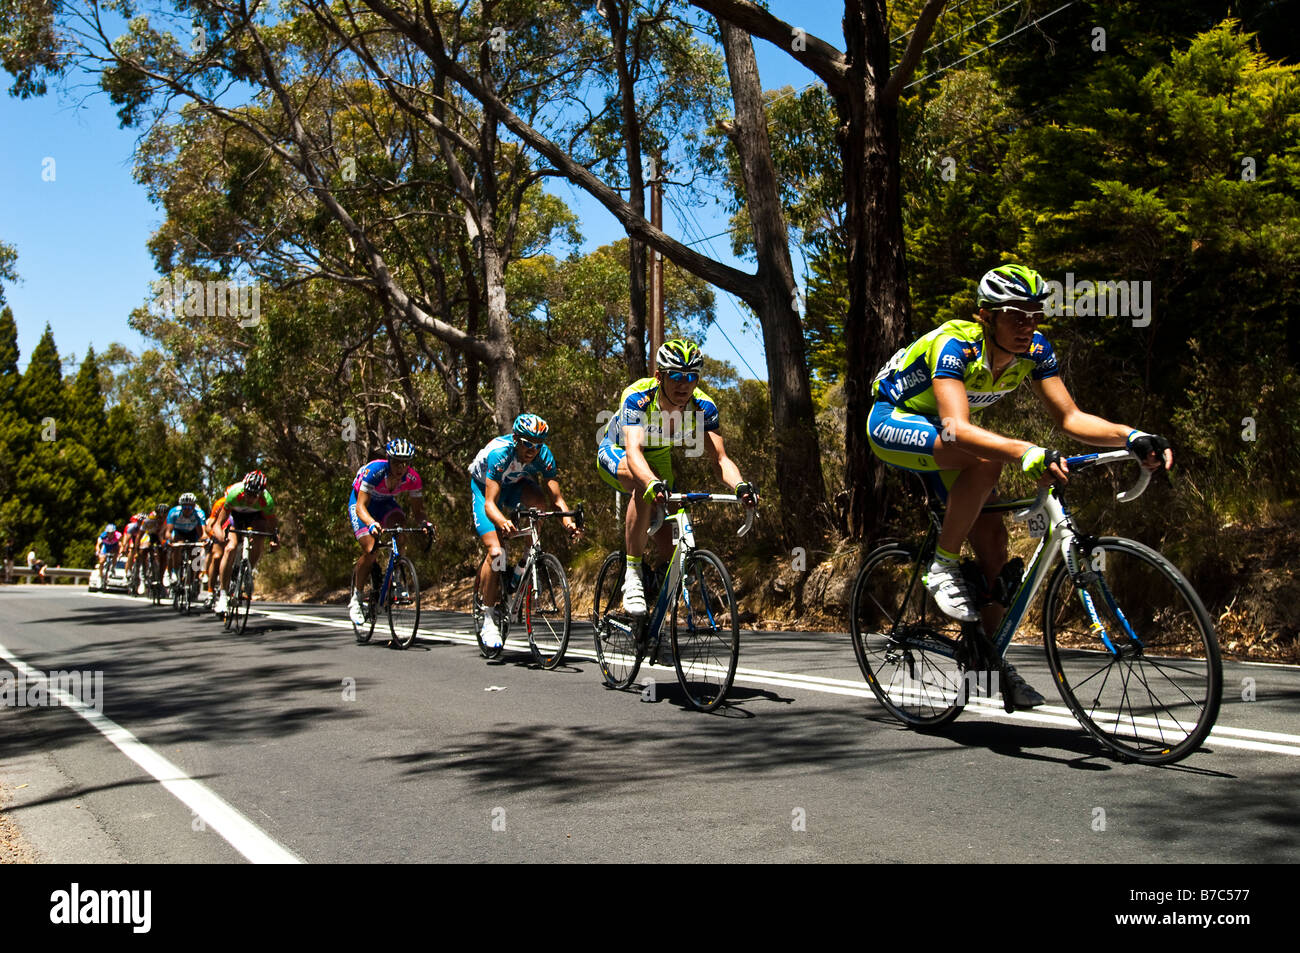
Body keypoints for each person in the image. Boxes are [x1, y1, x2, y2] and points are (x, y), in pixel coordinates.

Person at [868, 263, 1173, 707]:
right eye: (1015, 315)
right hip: (893, 420)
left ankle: (989, 667)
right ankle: (942, 565)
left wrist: (1132, 436)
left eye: (1034, 315)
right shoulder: (955, 344)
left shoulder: (1034, 350)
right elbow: (954, 425)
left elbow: (1070, 418)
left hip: (944, 436)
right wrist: (1025, 450)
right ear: (985, 316)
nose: (1026, 325)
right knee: (987, 459)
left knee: (994, 541)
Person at [597, 339, 758, 615]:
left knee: (673, 540)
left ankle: (658, 596)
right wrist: (650, 483)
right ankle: (633, 574)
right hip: (619, 451)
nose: (684, 384)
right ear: (659, 376)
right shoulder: (638, 396)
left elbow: (720, 459)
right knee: (644, 486)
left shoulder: (703, 407)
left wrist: (741, 486)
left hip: (659, 457)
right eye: (676, 376)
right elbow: (635, 453)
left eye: (691, 377)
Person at [470, 414, 581, 649]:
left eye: (538, 445)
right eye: (527, 443)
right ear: (516, 439)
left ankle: (522, 567)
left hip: (515, 485)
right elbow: (491, 504)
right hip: (485, 490)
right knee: (497, 552)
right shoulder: (500, 453)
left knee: (539, 506)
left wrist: (569, 524)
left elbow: (556, 498)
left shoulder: (544, 456)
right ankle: (488, 619)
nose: (532, 450)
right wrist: (502, 521)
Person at [347, 439, 435, 626]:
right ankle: (357, 598)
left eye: (405, 463)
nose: (400, 467)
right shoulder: (375, 472)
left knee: (401, 529)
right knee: (371, 549)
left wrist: (425, 523)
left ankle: (397, 577)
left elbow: (418, 512)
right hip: (362, 504)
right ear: (388, 459)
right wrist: (371, 523)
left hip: (386, 503)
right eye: (396, 462)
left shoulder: (413, 478)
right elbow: (361, 507)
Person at [214, 470, 279, 615]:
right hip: (235, 517)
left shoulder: (266, 500)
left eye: (254, 496)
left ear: (260, 494)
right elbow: (219, 523)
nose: (249, 499)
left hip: (256, 517)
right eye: (248, 494)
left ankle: (247, 571)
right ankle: (223, 596)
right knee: (230, 549)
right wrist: (219, 535)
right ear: (244, 489)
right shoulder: (234, 493)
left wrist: (275, 539)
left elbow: (272, 525)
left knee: (260, 537)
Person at [163, 493, 207, 588]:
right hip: (179, 532)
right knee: (178, 546)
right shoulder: (174, 512)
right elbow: (168, 532)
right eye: (185, 507)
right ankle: (174, 571)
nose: (187, 510)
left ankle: (192, 579)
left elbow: (203, 533)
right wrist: (169, 540)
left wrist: (205, 540)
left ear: (194, 507)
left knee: (196, 554)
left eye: (190, 507)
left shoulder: (199, 514)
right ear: (181, 506)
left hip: (193, 533)